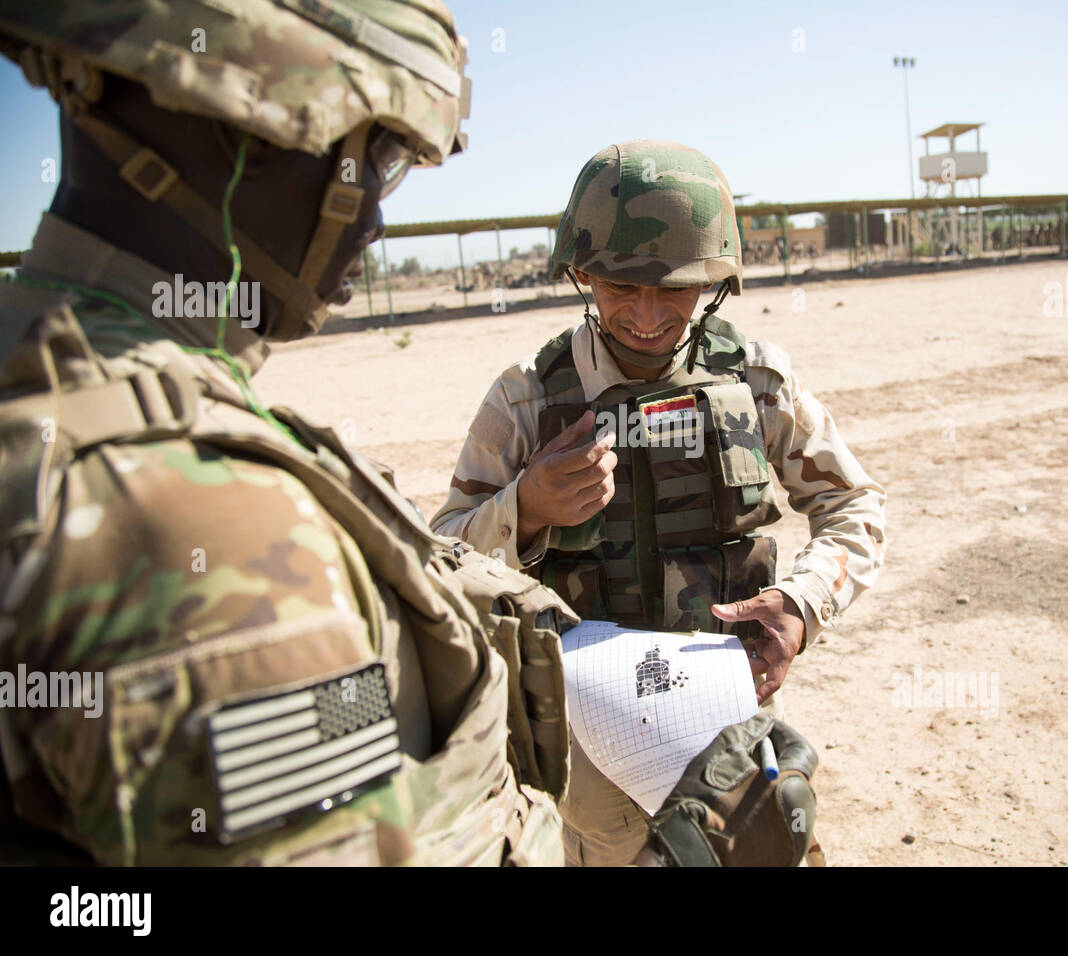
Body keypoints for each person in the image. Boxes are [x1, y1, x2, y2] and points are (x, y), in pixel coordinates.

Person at [0, 2, 815, 867]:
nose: (373, 222)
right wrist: (696, 853)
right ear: (251, 134)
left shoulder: (78, 409)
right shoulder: (196, 510)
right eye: (372, 160)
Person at [430, 139, 886, 865]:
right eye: (618, 287)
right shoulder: (525, 398)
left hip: (730, 735)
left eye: (675, 287)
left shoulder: (759, 381)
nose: (647, 315)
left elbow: (855, 507)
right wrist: (528, 506)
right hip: (593, 757)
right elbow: (442, 560)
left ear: (715, 280)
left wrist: (800, 605)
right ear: (581, 274)